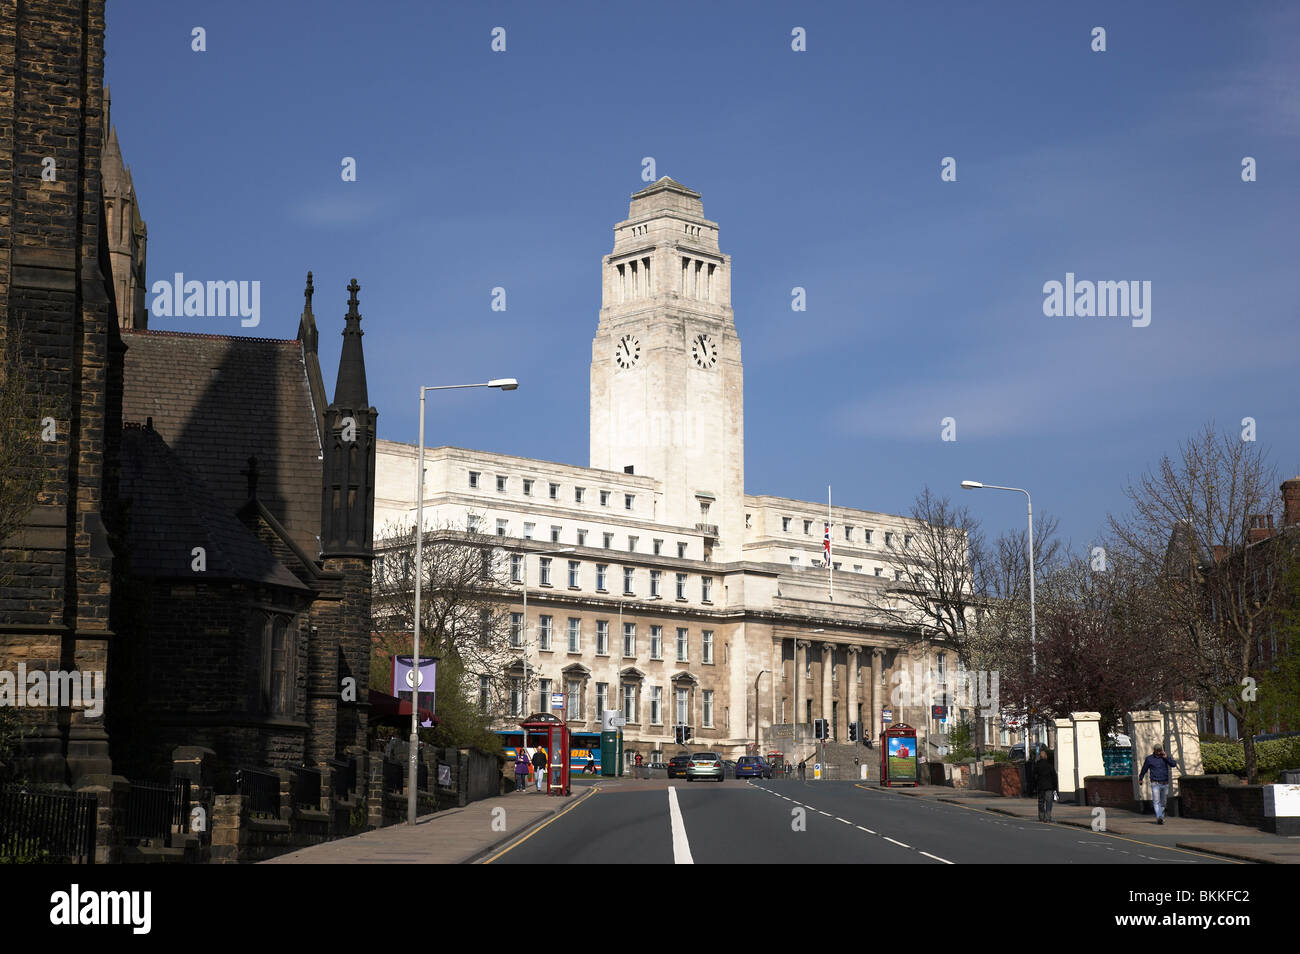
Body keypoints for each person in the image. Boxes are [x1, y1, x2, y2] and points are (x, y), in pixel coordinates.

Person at [1137, 744, 1178, 824]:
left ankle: (1161, 818)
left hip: (1165, 783)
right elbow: (1144, 769)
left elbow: (1173, 764)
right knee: (1156, 801)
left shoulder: (1165, 757)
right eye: (1158, 751)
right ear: (1154, 750)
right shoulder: (1149, 759)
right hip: (1155, 783)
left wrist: (1166, 758)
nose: (1159, 752)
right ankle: (1159, 816)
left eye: (1160, 751)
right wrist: (1140, 778)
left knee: (1163, 802)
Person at [1034, 746, 1058, 822]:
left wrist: (1035, 785)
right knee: (1048, 802)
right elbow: (1054, 777)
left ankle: (1041, 817)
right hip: (1049, 787)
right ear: (1046, 757)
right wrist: (1055, 787)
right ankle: (1047, 817)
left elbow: (1034, 776)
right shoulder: (1050, 766)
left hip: (1040, 787)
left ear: (1040, 757)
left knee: (1041, 802)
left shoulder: (1037, 766)